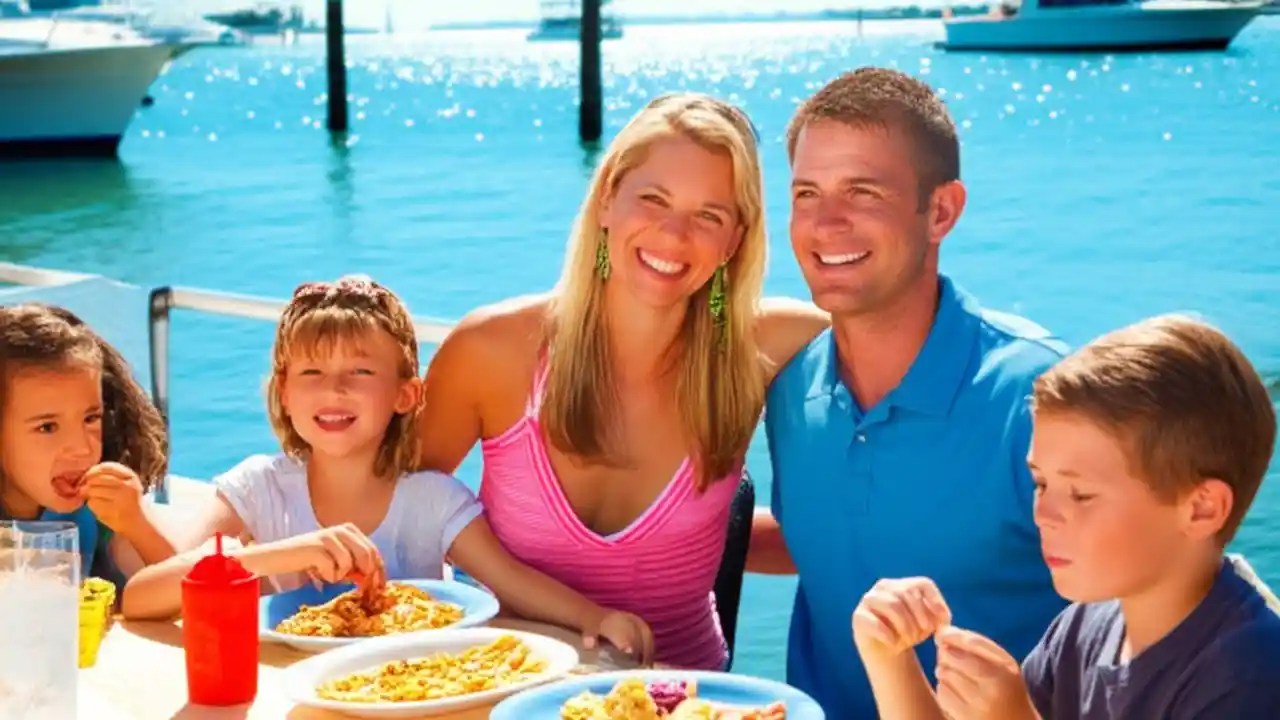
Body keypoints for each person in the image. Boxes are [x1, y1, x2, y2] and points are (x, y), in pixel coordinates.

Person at [417, 93, 828, 670]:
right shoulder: (492, 351)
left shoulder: (772, 347)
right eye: (653, 199)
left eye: (709, 215)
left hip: (685, 701)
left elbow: (901, 353)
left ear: (734, 241)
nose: (673, 233)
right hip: (504, 691)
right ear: (607, 197)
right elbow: (403, 520)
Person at [747, 67, 1069, 717]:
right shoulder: (789, 390)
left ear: (942, 211)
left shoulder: (1044, 399)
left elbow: (1152, 611)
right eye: (807, 193)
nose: (825, 224)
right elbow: (820, 533)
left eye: (862, 192)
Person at [121, 277, 653, 662]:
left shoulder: (432, 500)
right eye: (312, 371)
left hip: (409, 686)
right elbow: (144, 596)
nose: (334, 390)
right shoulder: (257, 488)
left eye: (360, 371)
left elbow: (510, 579)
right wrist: (287, 553)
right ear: (284, 391)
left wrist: (595, 618)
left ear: (405, 394)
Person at [852, 314, 1280, 719]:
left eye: (1080, 494)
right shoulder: (1085, 627)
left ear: (1201, 508)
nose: (1043, 514)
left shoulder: (1250, 675)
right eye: (1040, 484)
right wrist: (891, 660)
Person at [0, 303, 173, 588]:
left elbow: (186, 595)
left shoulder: (102, 511)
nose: (81, 448)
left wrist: (137, 525)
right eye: (47, 427)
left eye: (91, 418)